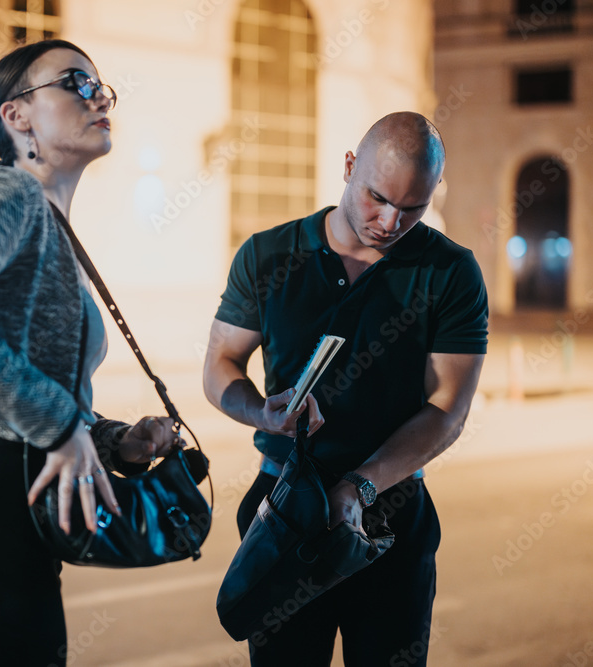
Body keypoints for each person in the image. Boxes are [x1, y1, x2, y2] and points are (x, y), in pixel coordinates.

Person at [0, 39, 179, 666]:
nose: (98, 95)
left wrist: (113, 441)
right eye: (75, 82)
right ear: (16, 117)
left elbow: (39, 396)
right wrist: (58, 423)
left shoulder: (51, 224)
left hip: (8, 518)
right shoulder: (11, 195)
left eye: (102, 86)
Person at [203, 111, 487, 666]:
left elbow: (448, 408)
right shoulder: (268, 254)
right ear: (350, 167)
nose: (389, 221)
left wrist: (360, 486)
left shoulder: (450, 271)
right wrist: (262, 412)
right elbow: (221, 364)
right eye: (377, 198)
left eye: (412, 208)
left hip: (391, 511)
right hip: (283, 507)